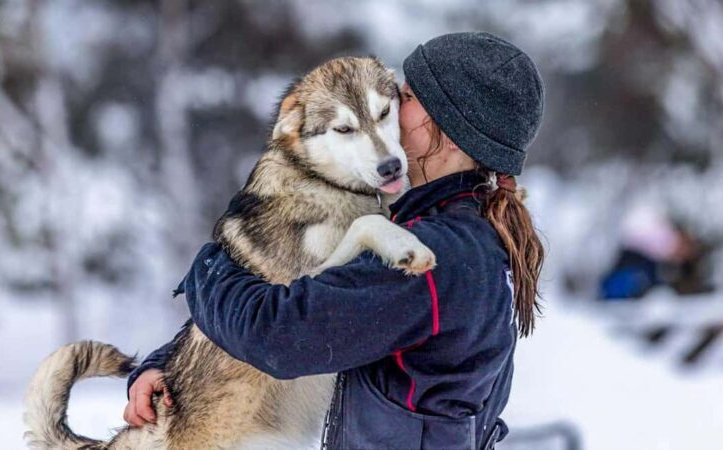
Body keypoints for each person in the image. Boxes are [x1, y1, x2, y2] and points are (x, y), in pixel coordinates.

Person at [123, 32, 545, 449]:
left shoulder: (432, 256)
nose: (396, 103)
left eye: (410, 96)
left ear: (452, 131)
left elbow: (277, 333)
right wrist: (168, 365)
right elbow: (309, 292)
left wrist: (210, 266)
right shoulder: (459, 232)